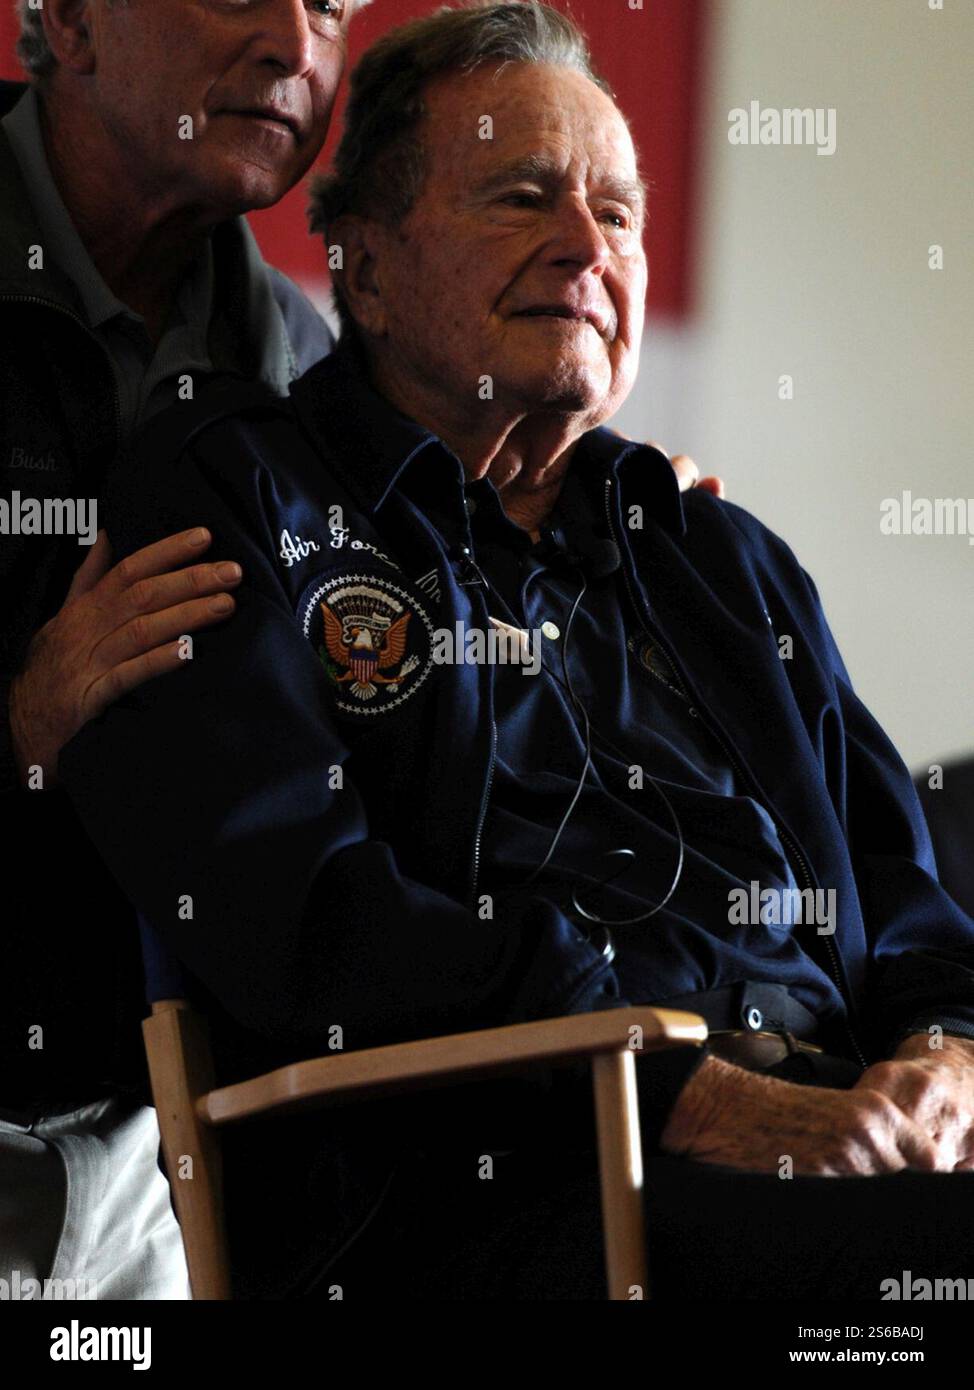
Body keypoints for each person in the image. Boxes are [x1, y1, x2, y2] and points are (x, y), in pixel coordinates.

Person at [62, 2, 973, 1301]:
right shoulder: (237, 501)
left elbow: (911, 910)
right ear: (363, 269)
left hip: (836, 1144)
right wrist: (671, 1091)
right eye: (520, 197)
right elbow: (301, 926)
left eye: (617, 212)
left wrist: (946, 1057)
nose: (582, 246)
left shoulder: (720, 557)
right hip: (481, 1188)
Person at [0, 0, 361, 1299]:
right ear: (73, 22)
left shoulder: (314, 377)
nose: (293, 40)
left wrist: (599, 539)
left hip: (168, 1174)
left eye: (330, 3)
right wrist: (18, 721)